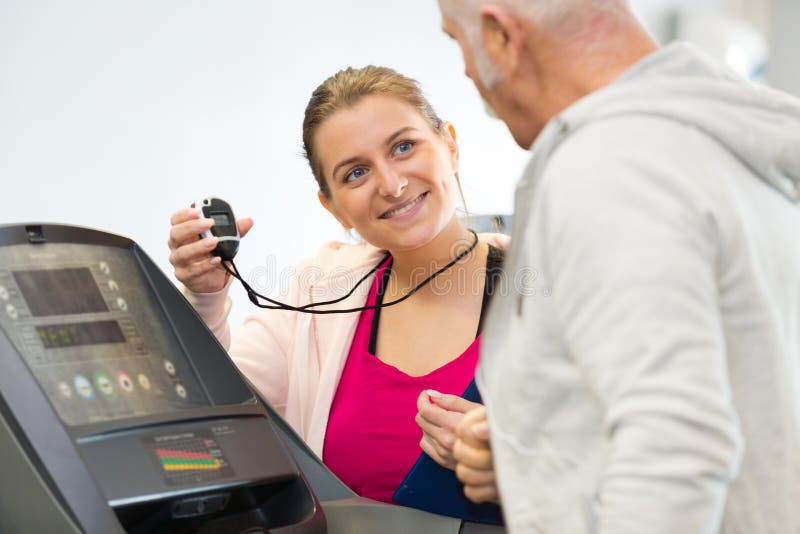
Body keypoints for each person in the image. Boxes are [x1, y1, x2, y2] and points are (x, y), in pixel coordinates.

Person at [436, 0, 800, 532]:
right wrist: (530, 462)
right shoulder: (714, 139)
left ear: (499, 37)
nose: (467, 69)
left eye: (457, 41)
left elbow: (675, 450)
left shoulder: (612, 167)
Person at [167, 66, 508, 507]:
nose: (392, 184)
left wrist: (519, 464)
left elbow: (618, 465)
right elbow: (203, 425)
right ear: (333, 207)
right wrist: (206, 295)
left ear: (451, 146)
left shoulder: (554, 283)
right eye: (355, 173)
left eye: (404, 147)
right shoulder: (315, 295)